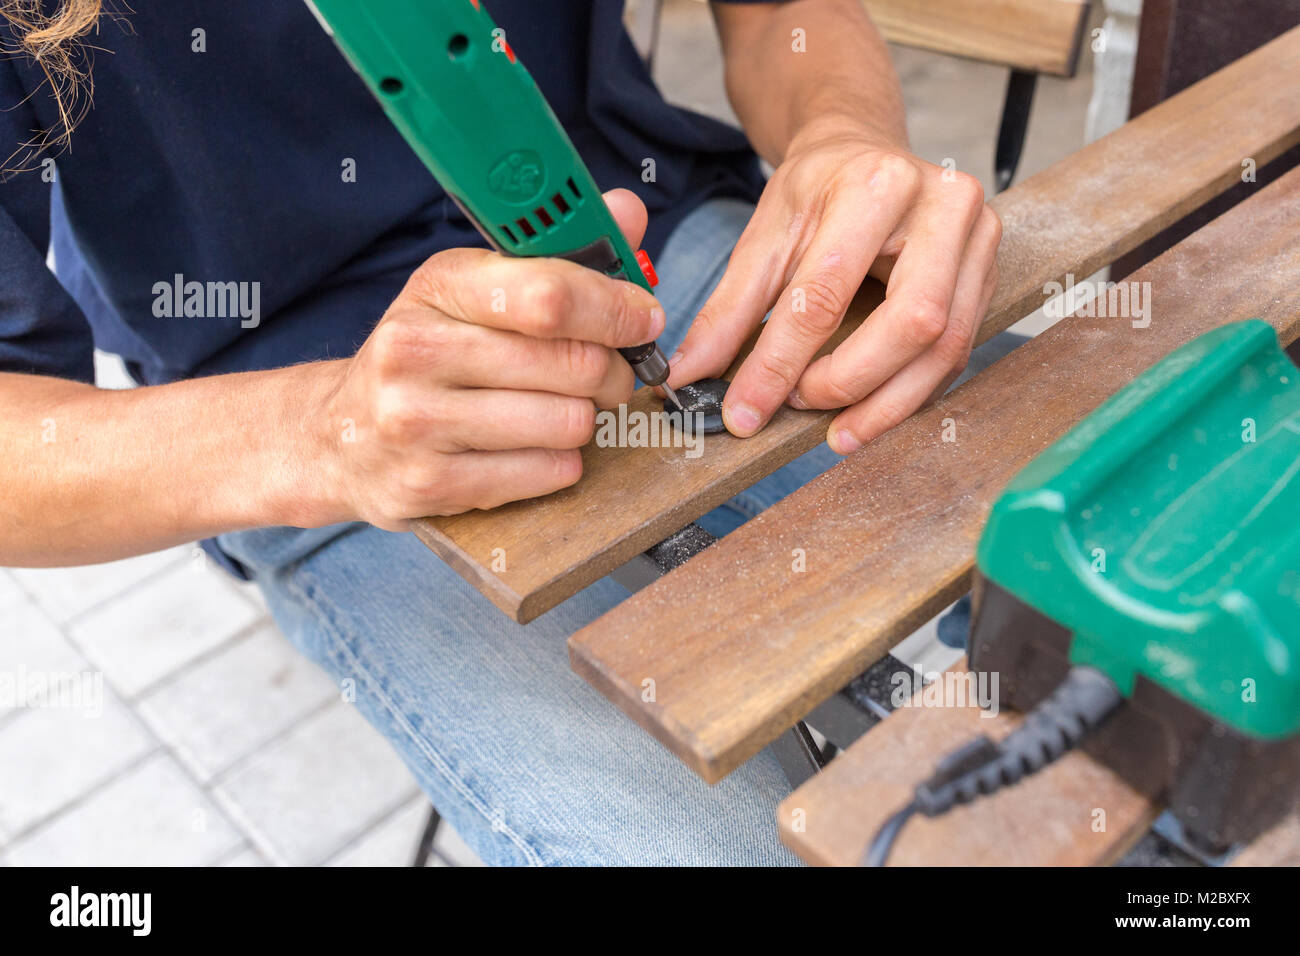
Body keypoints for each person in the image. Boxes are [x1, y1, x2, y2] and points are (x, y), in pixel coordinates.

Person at [0, 0, 1000, 864]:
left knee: (1110, 581)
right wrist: (324, 434)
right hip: (317, 417)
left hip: (650, 246)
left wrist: (842, 133)